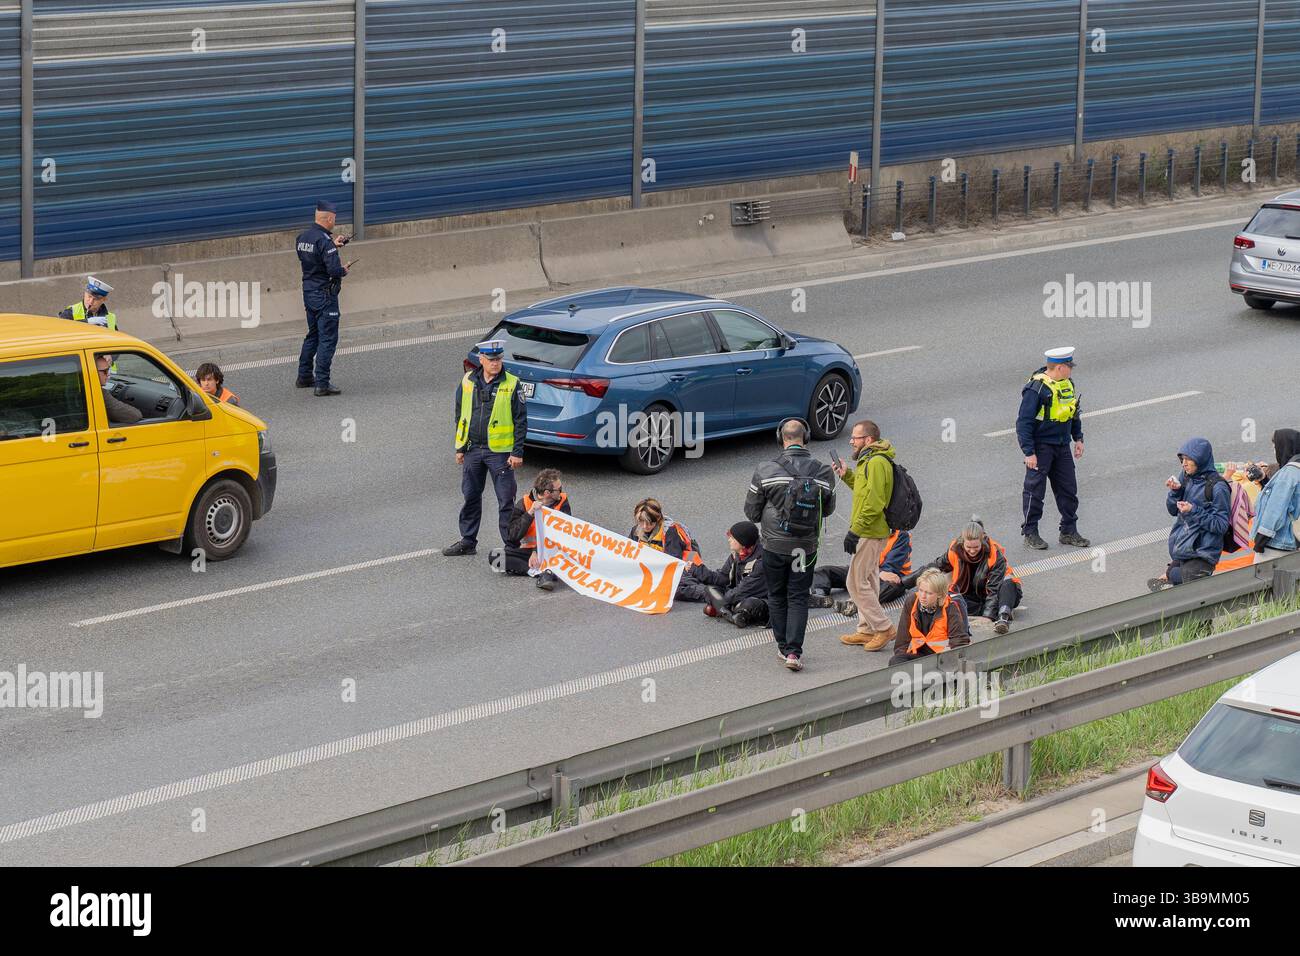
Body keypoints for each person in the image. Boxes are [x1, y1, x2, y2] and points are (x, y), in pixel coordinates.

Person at [745, 418, 836, 671]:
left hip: (774, 546)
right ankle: (794, 653)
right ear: (805, 438)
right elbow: (827, 509)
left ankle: (783, 645)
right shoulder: (823, 471)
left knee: (776, 595)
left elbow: (751, 513)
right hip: (805, 547)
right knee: (797, 596)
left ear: (781, 438)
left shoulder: (765, 469)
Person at [444, 340, 526, 557]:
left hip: (499, 453)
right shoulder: (468, 380)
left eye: (499, 359)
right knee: (470, 496)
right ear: (481, 359)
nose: (496, 363)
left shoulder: (511, 383)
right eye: (491, 360)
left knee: (505, 501)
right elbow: (460, 414)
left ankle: (511, 547)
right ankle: (468, 541)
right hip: (472, 449)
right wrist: (460, 447)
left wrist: (517, 452)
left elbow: (520, 420)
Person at [830, 419, 896, 652]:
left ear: (868, 440)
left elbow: (875, 502)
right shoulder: (870, 460)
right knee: (867, 580)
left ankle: (884, 627)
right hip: (870, 530)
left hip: (870, 531)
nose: (851, 441)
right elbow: (863, 490)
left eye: (855, 438)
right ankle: (866, 629)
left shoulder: (877, 462)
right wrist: (847, 475)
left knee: (855, 582)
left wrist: (855, 531)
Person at [1017, 347, 1089, 551]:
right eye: (1069, 367)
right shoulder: (1036, 389)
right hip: (1041, 448)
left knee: (1068, 490)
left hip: (1061, 445)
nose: (1071, 370)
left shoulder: (1067, 384)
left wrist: (1078, 438)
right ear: (1059, 367)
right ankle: (1031, 532)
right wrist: (1029, 452)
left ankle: (1068, 530)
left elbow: (1073, 412)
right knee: (1034, 492)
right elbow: (1024, 422)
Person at [903, 518, 1022, 634]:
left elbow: (994, 589)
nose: (972, 551)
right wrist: (903, 583)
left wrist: (988, 617)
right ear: (962, 542)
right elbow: (934, 567)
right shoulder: (955, 550)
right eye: (968, 547)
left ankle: (1002, 618)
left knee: (1008, 583)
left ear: (983, 541)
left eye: (976, 547)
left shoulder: (995, 555)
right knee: (944, 596)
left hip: (1000, 594)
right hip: (972, 597)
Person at [1148, 438, 1231, 591]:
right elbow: (1172, 510)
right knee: (1171, 573)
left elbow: (1221, 525)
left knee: (1192, 598)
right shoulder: (1186, 477)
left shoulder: (1218, 487)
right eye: (1182, 459)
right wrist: (1175, 491)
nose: (1183, 464)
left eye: (1188, 459)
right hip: (1184, 548)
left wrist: (1193, 511)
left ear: (1200, 460)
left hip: (1202, 554)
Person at [295, 200, 349, 396]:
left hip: (309, 292)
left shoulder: (302, 237)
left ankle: (304, 376)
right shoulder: (325, 242)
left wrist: (332, 246)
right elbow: (334, 269)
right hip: (325, 295)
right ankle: (322, 383)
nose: (334, 221)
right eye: (333, 218)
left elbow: (311, 259)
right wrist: (343, 270)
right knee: (327, 339)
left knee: (313, 335)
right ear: (329, 218)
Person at [488, 469, 570, 590]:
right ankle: (542, 573)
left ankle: (542, 570)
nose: (561, 491)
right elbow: (512, 536)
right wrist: (529, 513)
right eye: (559, 489)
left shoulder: (562, 502)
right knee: (495, 557)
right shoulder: (524, 503)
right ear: (547, 493)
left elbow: (561, 534)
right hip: (527, 552)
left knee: (568, 559)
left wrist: (536, 551)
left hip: (552, 550)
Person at [678, 521, 768, 627]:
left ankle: (724, 610)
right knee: (710, 590)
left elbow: (743, 590)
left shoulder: (761, 561)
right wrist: (696, 570)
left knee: (749, 604)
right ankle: (732, 615)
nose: (729, 540)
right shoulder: (736, 554)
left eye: (733, 538)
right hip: (738, 595)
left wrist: (720, 601)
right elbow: (722, 578)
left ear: (742, 543)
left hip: (759, 598)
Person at [809, 529, 912, 615]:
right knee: (825, 570)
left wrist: (873, 572)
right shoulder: (873, 530)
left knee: (890, 587)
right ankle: (819, 595)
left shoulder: (902, 535)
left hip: (890, 576)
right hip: (868, 570)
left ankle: (854, 604)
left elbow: (889, 569)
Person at [887, 569, 972, 665]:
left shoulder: (950, 608)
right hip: (919, 654)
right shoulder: (912, 601)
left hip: (942, 658)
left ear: (940, 594)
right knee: (895, 661)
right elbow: (902, 638)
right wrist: (901, 662)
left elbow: (959, 642)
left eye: (929, 593)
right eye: (920, 590)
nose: (922, 596)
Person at [628, 498, 703, 598]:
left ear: (657, 519)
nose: (645, 526)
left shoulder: (670, 532)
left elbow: (673, 563)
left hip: (685, 562)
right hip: (655, 567)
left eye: (650, 522)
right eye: (641, 522)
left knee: (677, 589)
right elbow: (628, 552)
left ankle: (709, 593)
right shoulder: (636, 530)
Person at [1251, 428, 1300, 560]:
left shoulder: (1289, 473)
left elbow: (1276, 508)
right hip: (1293, 541)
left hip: (1275, 545)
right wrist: (1264, 480)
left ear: (1284, 446)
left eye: (1275, 446)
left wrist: (1261, 539)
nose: (1274, 450)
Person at [95, 354, 142, 425]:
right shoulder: (98, 394)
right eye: (105, 371)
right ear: (92, 372)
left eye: (108, 370)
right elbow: (134, 416)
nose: (108, 374)